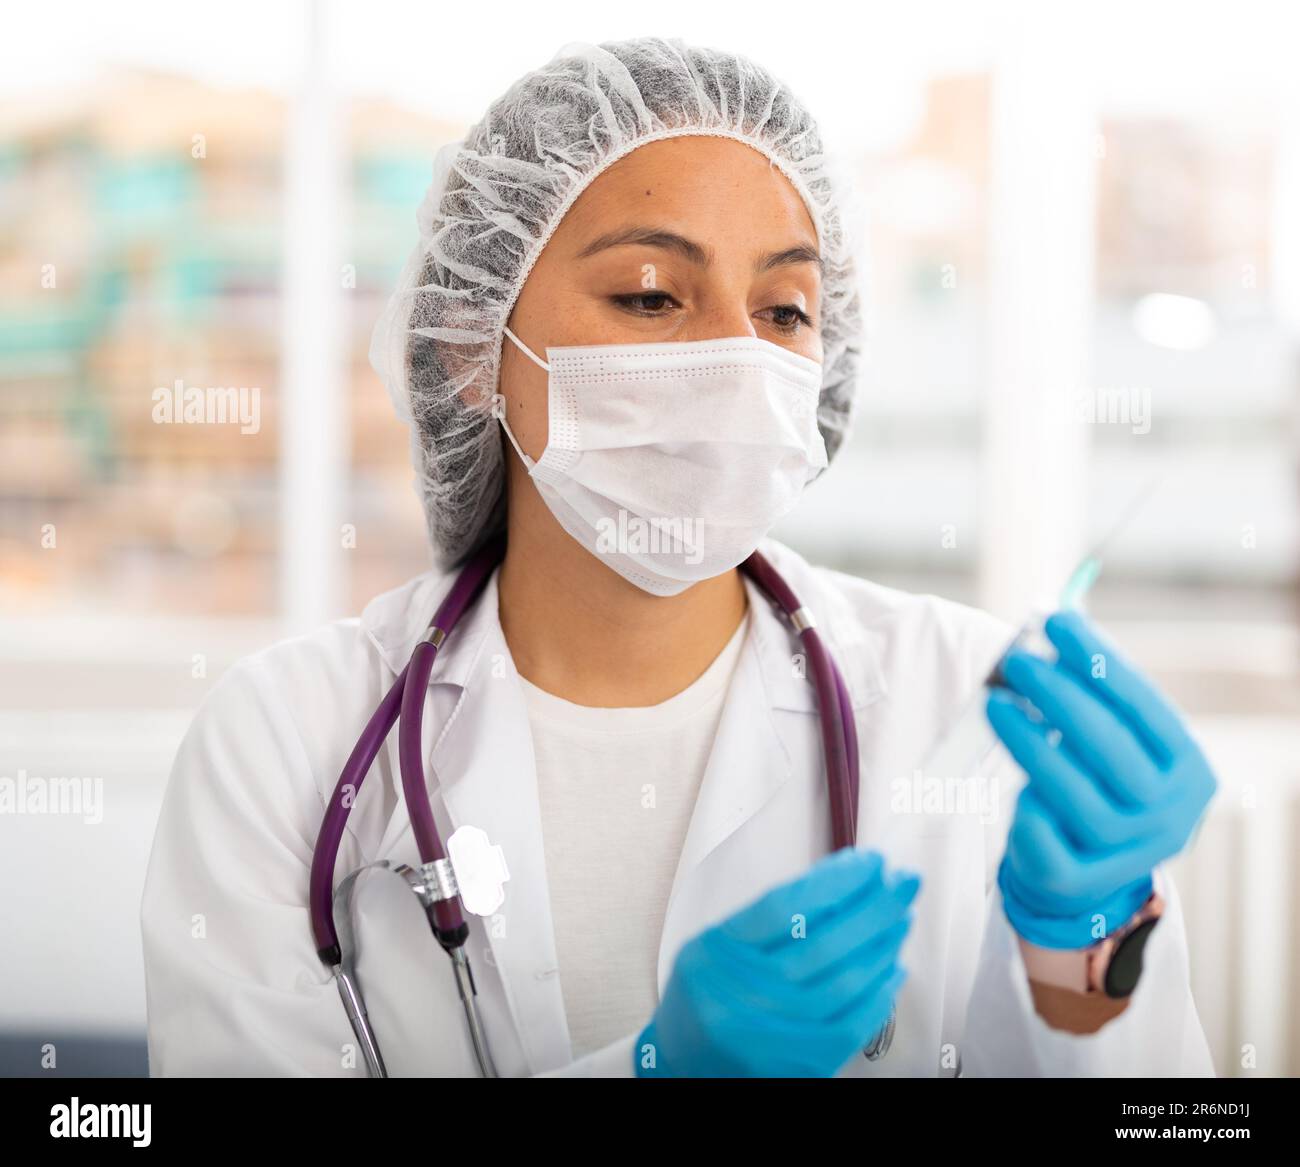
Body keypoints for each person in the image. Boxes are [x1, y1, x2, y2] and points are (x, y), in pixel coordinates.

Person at [140, 36, 1217, 1077]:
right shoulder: (285, 739)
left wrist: (1083, 969)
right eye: (651, 295)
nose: (737, 361)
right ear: (472, 346)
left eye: (785, 311)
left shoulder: (963, 710)